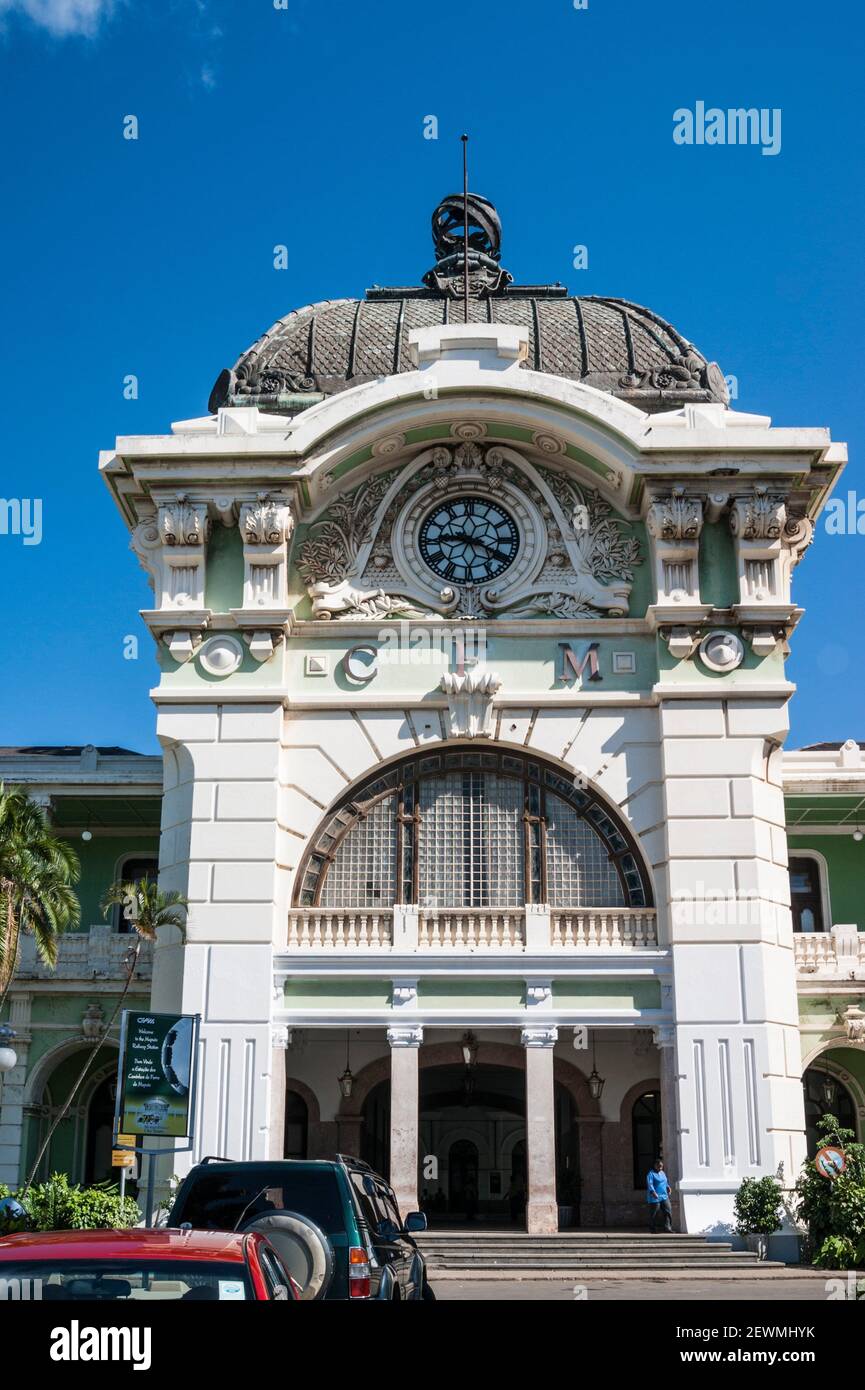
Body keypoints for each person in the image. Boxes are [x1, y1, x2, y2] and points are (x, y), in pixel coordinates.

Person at [646, 1158, 672, 1232]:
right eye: (659, 1166)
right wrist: (653, 1192)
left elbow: (665, 1182)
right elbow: (650, 1184)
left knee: (668, 1210)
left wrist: (668, 1187)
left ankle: (667, 1227)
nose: (661, 1168)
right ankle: (653, 1228)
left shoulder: (662, 1173)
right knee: (655, 1213)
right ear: (655, 1165)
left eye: (662, 1166)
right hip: (655, 1196)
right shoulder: (650, 1174)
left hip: (664, 1195)